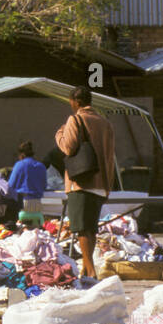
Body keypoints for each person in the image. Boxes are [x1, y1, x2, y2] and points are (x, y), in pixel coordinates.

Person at [55, 85, 117, 279]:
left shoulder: (75, 119)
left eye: (71, 102)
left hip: (81, 182)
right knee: (90, 228)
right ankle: (86, 269)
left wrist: (59, 134)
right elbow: (109, 156)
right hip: (101, 183)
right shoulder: (105, 123)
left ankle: (90, 270)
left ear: (77, 102)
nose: (71, 105)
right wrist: (108, 186)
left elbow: (68, 147)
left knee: (81, 229)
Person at [6, 140, 47, 214]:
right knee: (34, 224)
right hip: (37, 205)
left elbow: (10, 186)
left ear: (22, 155)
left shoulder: (19, 165)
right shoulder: (41, 166)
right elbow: (44, 186)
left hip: (22, 204)